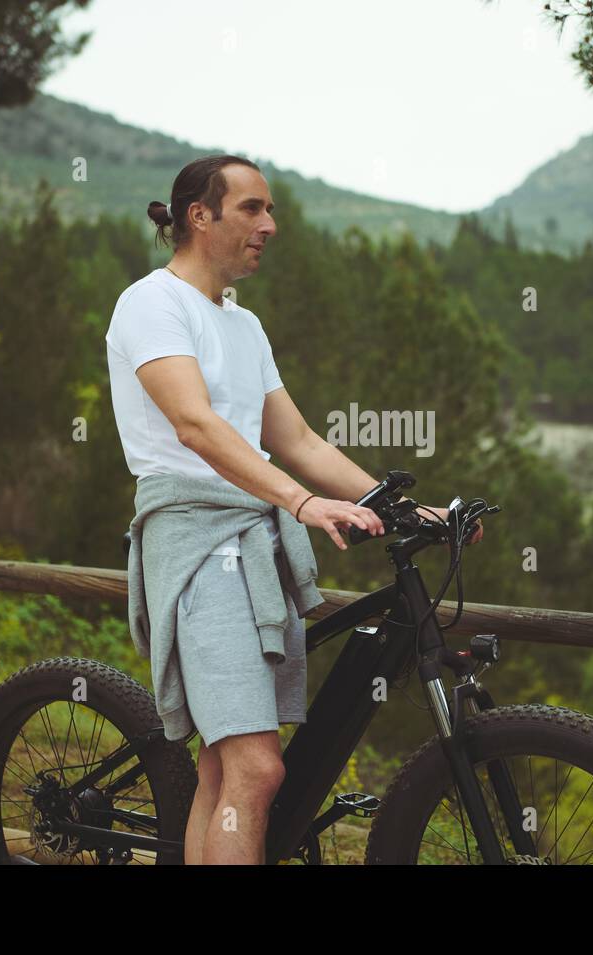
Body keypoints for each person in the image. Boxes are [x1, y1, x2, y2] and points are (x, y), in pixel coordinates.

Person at [105, 154, 482, 864]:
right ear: (200, 215)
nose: (270, 225)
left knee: (225, 768)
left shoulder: (243, 326)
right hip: (194, 543)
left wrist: (402, 508)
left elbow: (299, 440)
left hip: (252, 543)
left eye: (270, 209)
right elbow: (195, 425)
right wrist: (300, 501)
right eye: (252, 208)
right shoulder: (152, 303)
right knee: (258, 769)